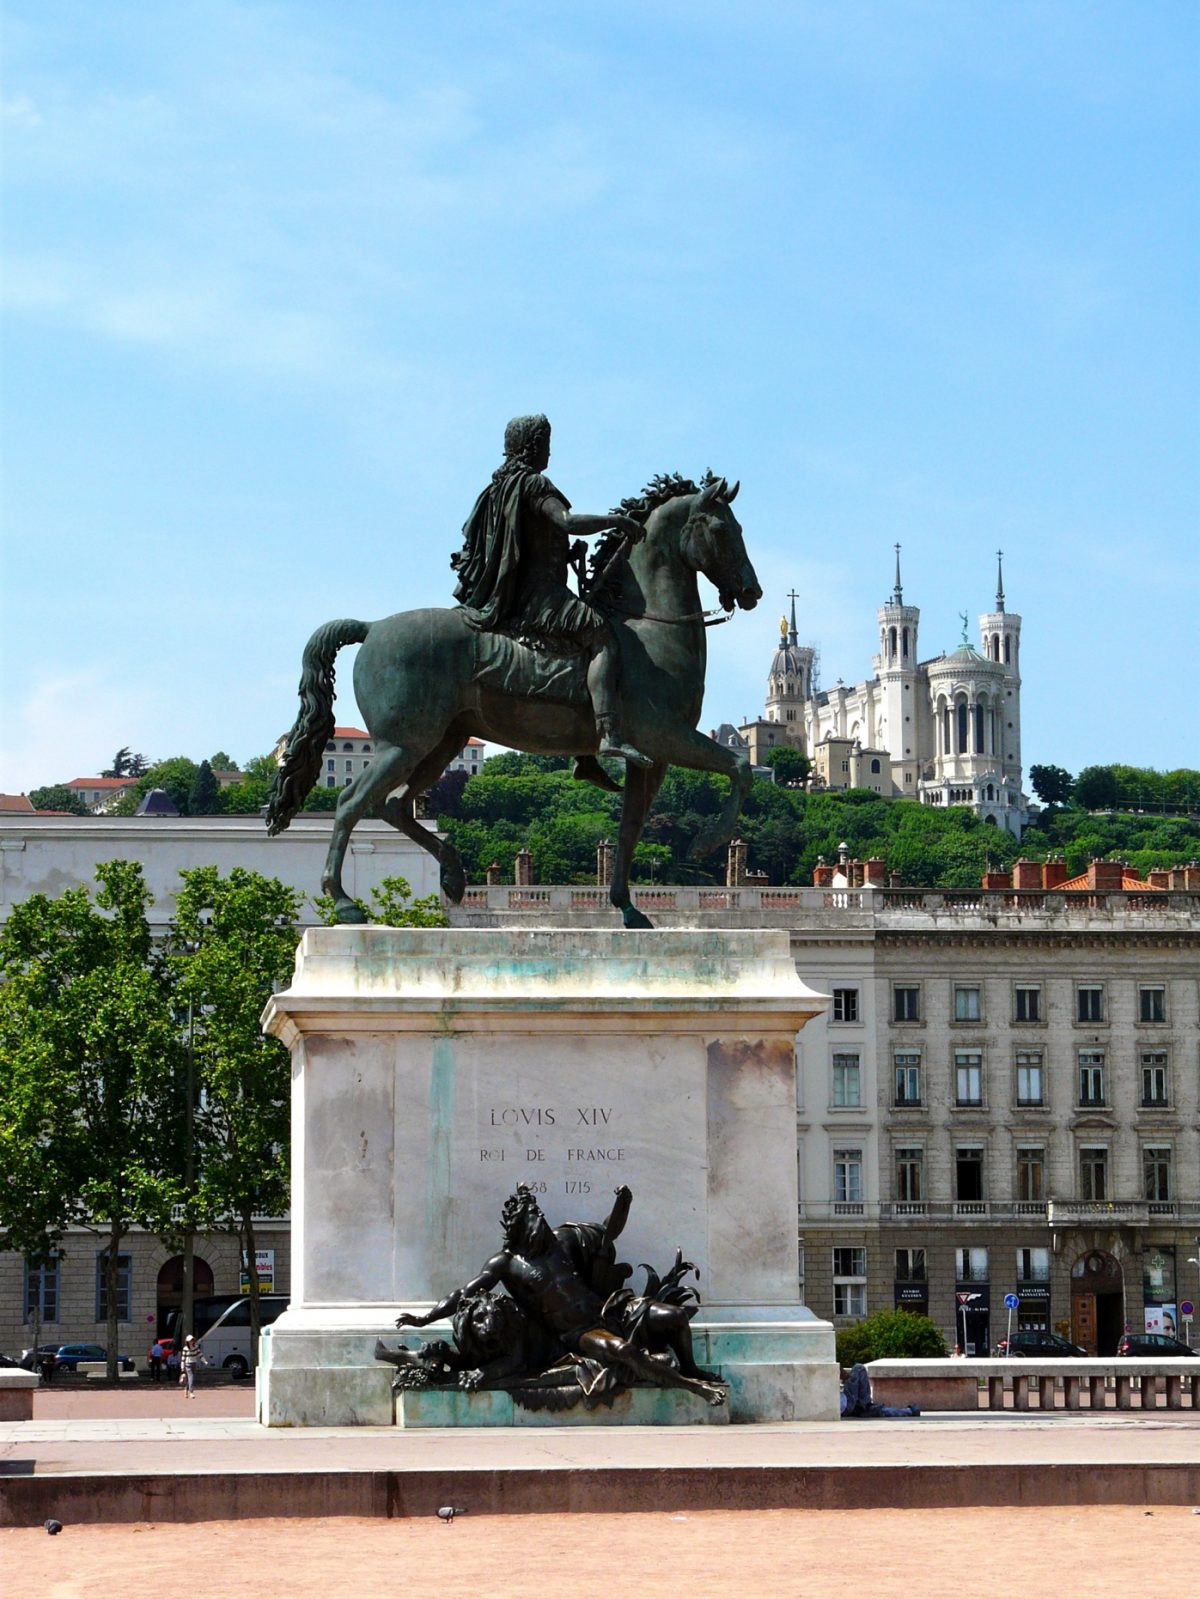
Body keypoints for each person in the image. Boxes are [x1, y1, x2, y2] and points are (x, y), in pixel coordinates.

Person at [395, 1184, 724, 1405]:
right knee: (622, 1350)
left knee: (677, 1317)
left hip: (612, 1310)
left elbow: (608, 1232)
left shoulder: (562, 1240)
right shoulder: (506, 1264)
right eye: (535, 1216)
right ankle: (692, 1387)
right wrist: (426, 1318)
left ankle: (691, 1368)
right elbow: (464, 1293)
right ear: (521, 1226)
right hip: (578, 1333)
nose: (541, 1218)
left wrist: (623, 1202)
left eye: (539, 1214)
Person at [451, 414, 652, 771]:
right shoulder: (533, 484)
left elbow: (522, 542)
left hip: (511, 592)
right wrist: (616, 522)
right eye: (546, 443)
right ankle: (607, 734)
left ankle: (583, 754)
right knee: (602, 637)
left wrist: (560, 552)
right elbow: (567, 522)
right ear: (533, 446)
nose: (548, 451)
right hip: (539, 596)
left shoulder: (496, 488)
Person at [839, 1363, 920, 1419]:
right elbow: (845, 1375)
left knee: (878, 1410)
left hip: (843, 1407)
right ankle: (866, 1406)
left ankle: (909, 1411)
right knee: (859, 1368)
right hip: (845, 1405)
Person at [179, 1334, 207, 1399]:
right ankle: (191, 1392)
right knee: (191, 1377)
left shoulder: (196, 1347)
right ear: (187, 1342)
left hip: (194, 1363)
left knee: (191, 1378)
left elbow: (200, 1354)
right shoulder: (185, 1349)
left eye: (192, 1340)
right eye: (190, 1340)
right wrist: (182, 1368)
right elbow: (183, 1358)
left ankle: (186, 1389)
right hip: (187, 1364)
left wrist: (204, 1361)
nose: (191, 1341)